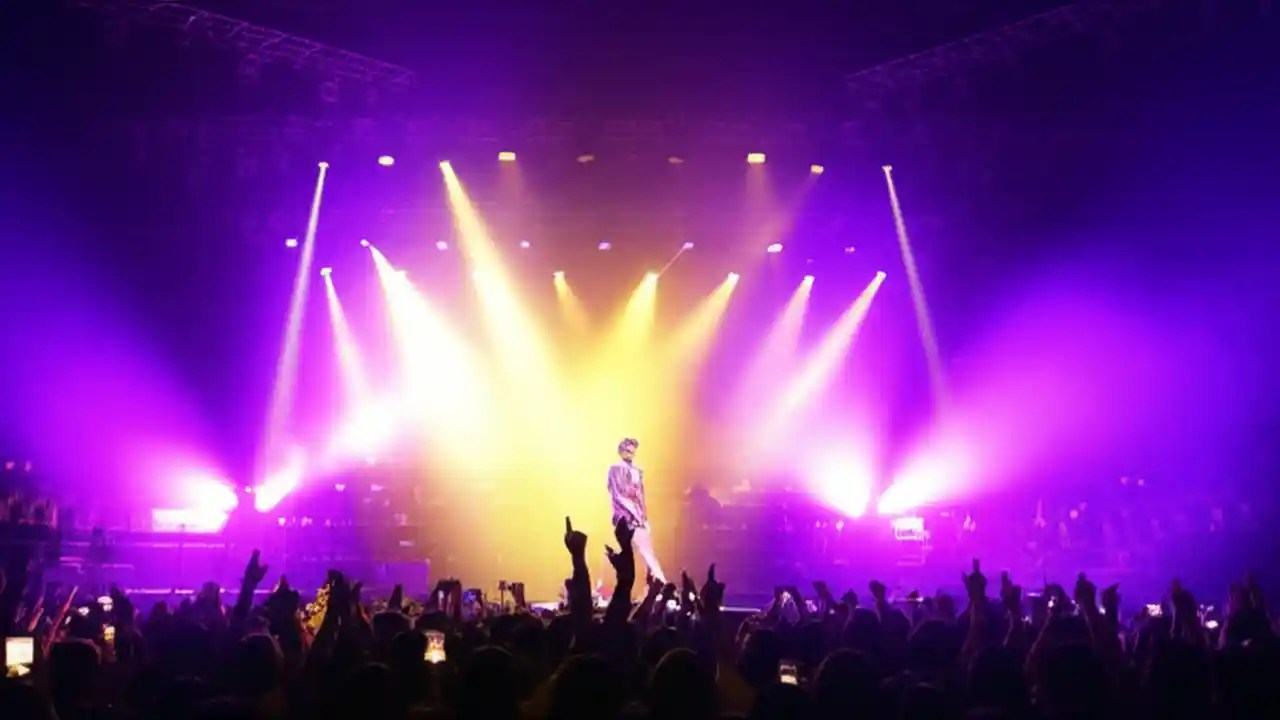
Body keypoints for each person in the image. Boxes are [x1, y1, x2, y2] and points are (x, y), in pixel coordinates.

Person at [607, 437, 666, 584]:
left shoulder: (636, 471)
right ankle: (662, 584)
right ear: (621, 451)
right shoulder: (616, 469)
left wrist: (643, 517)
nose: (631, 454)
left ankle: (658, 585)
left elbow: (640, 495)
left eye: (633, 451)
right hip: (625, 518)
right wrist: (636, 516)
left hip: (637, 518)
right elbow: (619, 494)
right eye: (627, 450)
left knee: (645, 553)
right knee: (638, 554)